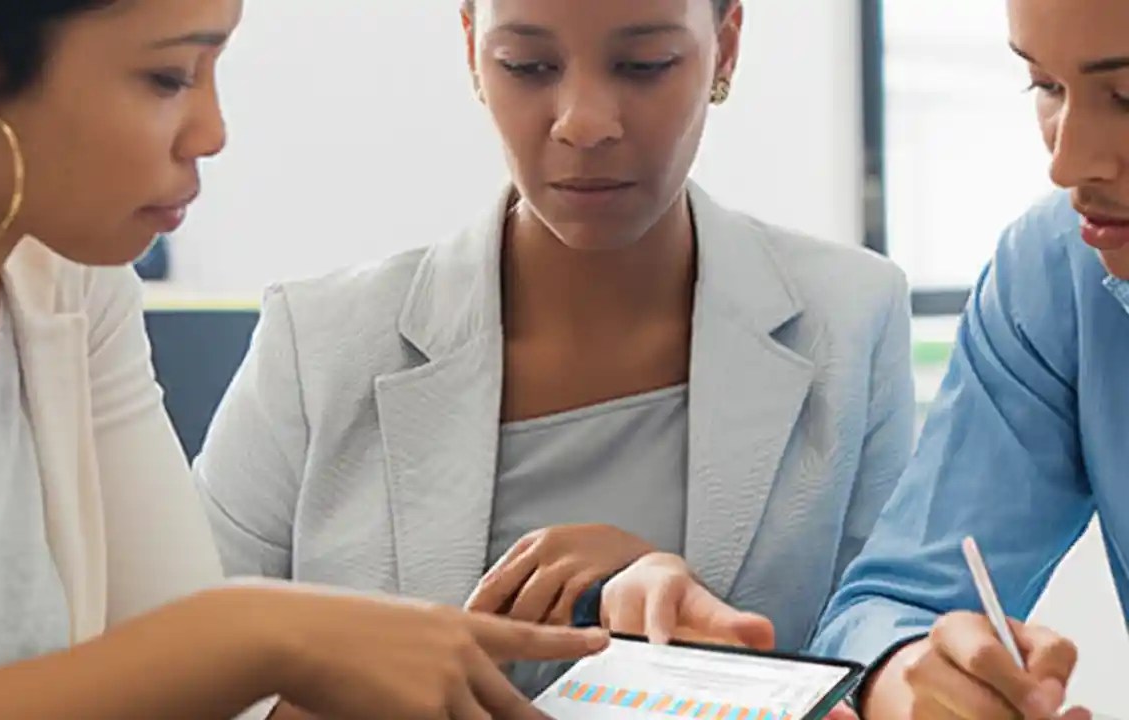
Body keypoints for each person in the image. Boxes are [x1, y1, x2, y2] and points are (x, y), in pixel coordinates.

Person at [0, 1, 611, 718]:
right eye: (169, 77)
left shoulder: (71, 283)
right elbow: (205, 651)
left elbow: (183, 672)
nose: (212, 133)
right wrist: (260, 636)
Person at [192, 0, 916, 703]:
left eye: (644, 64)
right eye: (527, 65)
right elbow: (173, 672)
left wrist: (701, 659)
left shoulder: (851, 320)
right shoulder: (317, 346)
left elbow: (881, 664)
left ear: (724, 48)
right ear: (472, 49)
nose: (585, 122)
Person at [805, 0, 1129, 717]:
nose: (1067, 164)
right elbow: (892, 607)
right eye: (1046, 86)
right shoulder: (1056, 271)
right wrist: (919, 682)